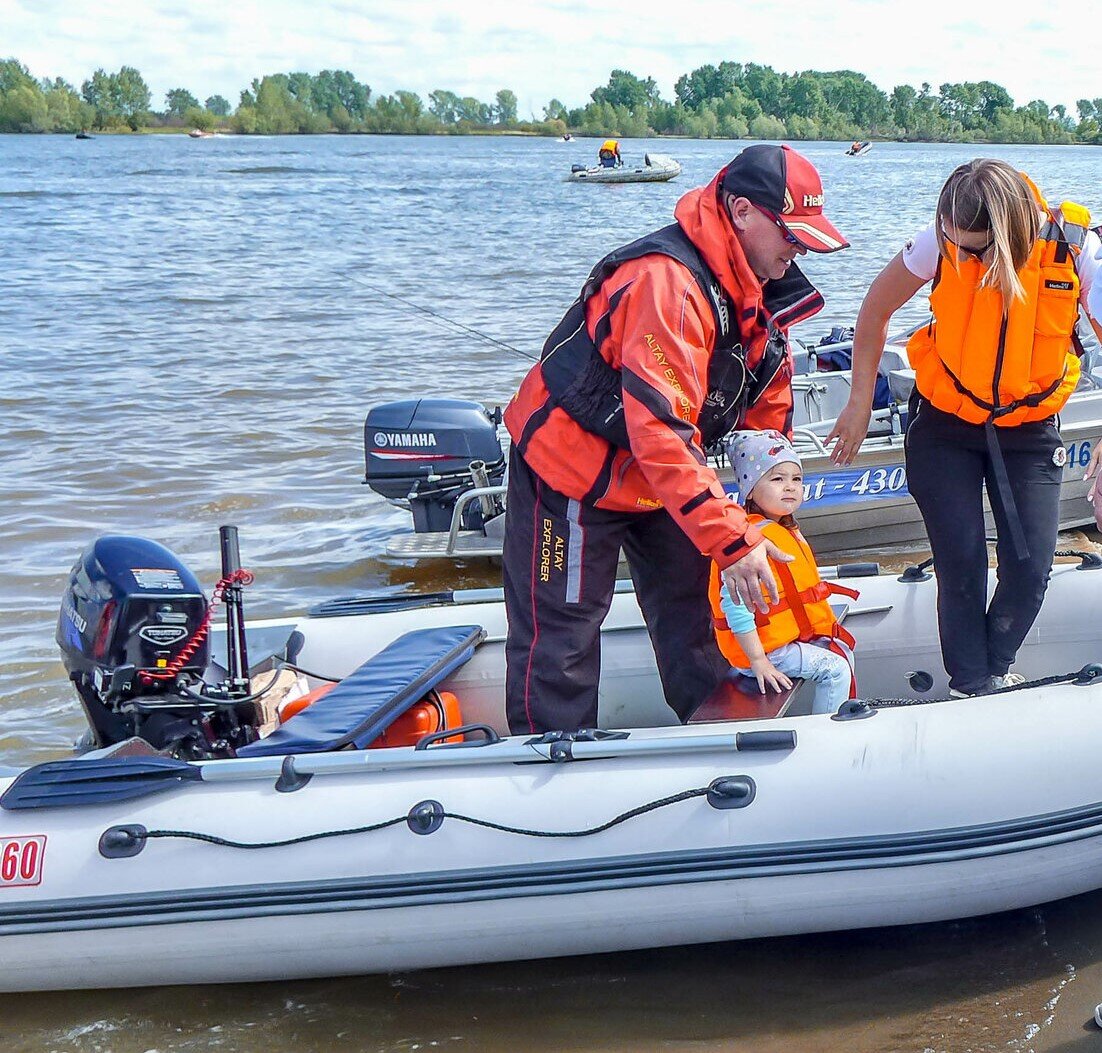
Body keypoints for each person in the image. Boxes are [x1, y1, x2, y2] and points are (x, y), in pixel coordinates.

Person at [503, 144, 850, 735]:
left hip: (662, 478)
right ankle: (551, 772)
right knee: (561, 634)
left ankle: (719, 740)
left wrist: (764, 509)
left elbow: (765, 420)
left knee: (695, 613)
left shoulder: (762, 285)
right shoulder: (665, 284)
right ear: (742, 211)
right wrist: (731, 539)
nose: (798, 250)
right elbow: (660, 432)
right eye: (791, 234)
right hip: (569, 471)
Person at [827, 158, 1102, 697]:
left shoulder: (1077, 249)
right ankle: (972, 684)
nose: (964, 255)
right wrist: (860, 402)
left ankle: (991, 670)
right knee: (962, 564)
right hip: (943, 423)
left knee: (1029, 568)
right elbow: (875, 311)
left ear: (1008, 231)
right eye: (956, 244)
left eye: (976, 249)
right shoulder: (942, 238)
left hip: (1026, 428)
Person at [709, 431, 857, 713]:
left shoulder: (783, 529)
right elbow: (735, 606)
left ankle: (840, 714)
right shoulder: (748, 543)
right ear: (750, 490)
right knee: (835, 668)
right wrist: (758, 660)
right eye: (777, 479)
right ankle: (825, 734)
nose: (789, 487)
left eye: (796, 479)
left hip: (781, 642)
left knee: (842, 649)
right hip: (764, 651)